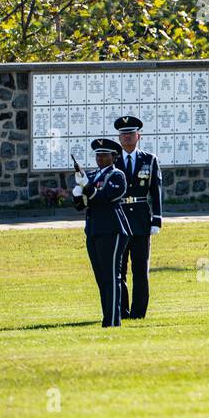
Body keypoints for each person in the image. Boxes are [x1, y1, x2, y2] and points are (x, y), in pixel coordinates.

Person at [73, 138, 130, 328]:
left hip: (112, 230)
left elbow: (105, 198)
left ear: (113, 157)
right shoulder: (92, 175)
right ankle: (107, 317)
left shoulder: (117, 175)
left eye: (105, 155)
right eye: (98, 155)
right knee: (101, 277)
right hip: (93, 229)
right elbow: (82, 205)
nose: (100, 158)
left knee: (112, 276)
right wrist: (77, 193)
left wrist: (87, 188)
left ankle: (113, 321)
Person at [113, 115, 163, 319]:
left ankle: (139, 312)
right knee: (120, 269)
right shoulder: (112, 159)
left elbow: (156, 190)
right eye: (123, 134)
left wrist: (157, 219)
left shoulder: (149, 160)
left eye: (130, 133)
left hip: (142, 218)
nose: (126, 137)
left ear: (138, 136)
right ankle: (122, 310)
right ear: (119, 138)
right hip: (120, 219)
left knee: (141, 269)